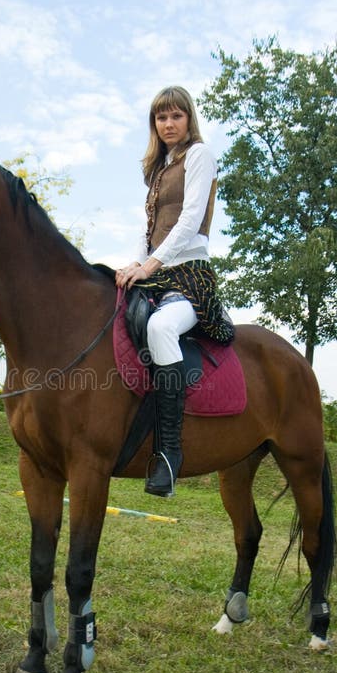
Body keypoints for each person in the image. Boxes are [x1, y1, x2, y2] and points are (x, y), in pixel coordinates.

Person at [115, 85, 234, 497]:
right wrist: (134, 262)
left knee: (163, 328)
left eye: (176, 116)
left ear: (188, 119)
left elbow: (189, 219)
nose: (168, 124)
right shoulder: (159, 166)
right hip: (157, 272)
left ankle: (168, 455)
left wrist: (150, 264)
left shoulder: (199, 156)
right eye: (161, 117)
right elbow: (146, 229)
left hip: (189, 276)